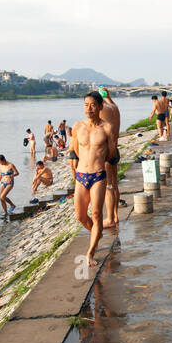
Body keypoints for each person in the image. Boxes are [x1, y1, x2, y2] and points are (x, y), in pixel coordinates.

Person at [70, 92, 111, 265]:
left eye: (93, 104)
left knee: (96, 214)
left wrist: (97, 161)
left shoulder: (107, 128)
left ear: (101, 106)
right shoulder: (77, 126)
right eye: (86, 104)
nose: (89, 108)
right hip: (81, 176)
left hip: (98, 175)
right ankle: (97, 232)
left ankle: (90, 252)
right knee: (80, 216)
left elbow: (111, 153)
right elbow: (76, 151)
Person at [99, 88, 122, 230]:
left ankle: (110, 219)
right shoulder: (114, 108)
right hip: (116, 149)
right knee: (114, 184)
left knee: (108, 187)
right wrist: (109, 97)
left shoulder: (101, 111)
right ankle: (115, 215)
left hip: (106, 152)